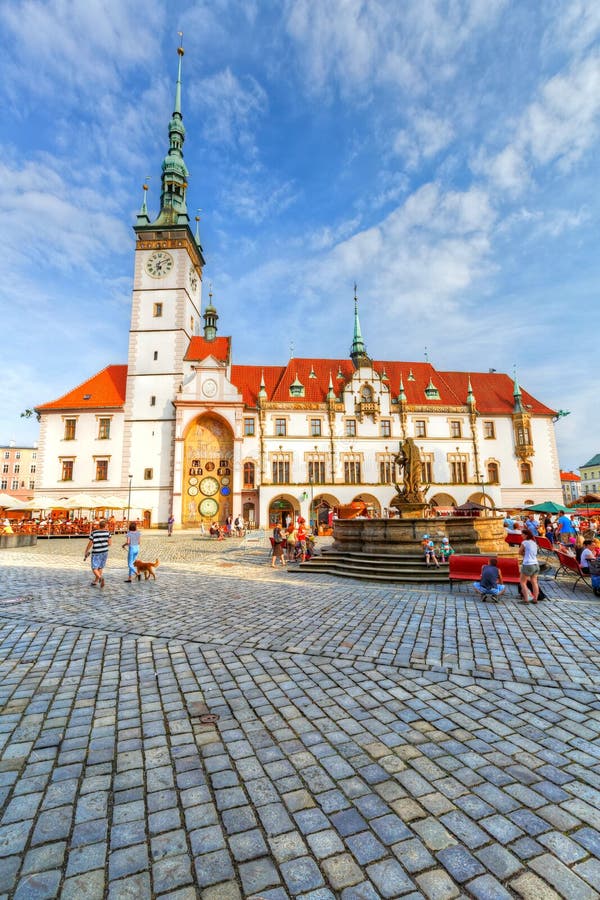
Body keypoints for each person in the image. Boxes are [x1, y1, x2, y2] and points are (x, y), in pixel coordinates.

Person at [84, 518, 112, 588]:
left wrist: (86, 551)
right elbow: (110, 543)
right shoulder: (108, 533)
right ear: (105, 526)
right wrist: (104, 544)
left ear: (99, 526)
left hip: (96, 552)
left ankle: (100, 578)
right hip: (105, 552)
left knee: (94, 567)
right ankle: (96, 581)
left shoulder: (94, 533)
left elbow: (90, 543)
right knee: (100, 567)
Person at [519, 527, 539, 603]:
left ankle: (526, 599)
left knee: (523, 582)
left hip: (528, 564)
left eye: (522, 534)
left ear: (526, 535)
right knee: (534, 582)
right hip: (535, 564)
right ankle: (535, 599)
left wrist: (525, 554)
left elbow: (519, 552)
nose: (521, 536)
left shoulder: (524, 543)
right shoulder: (534, 543)